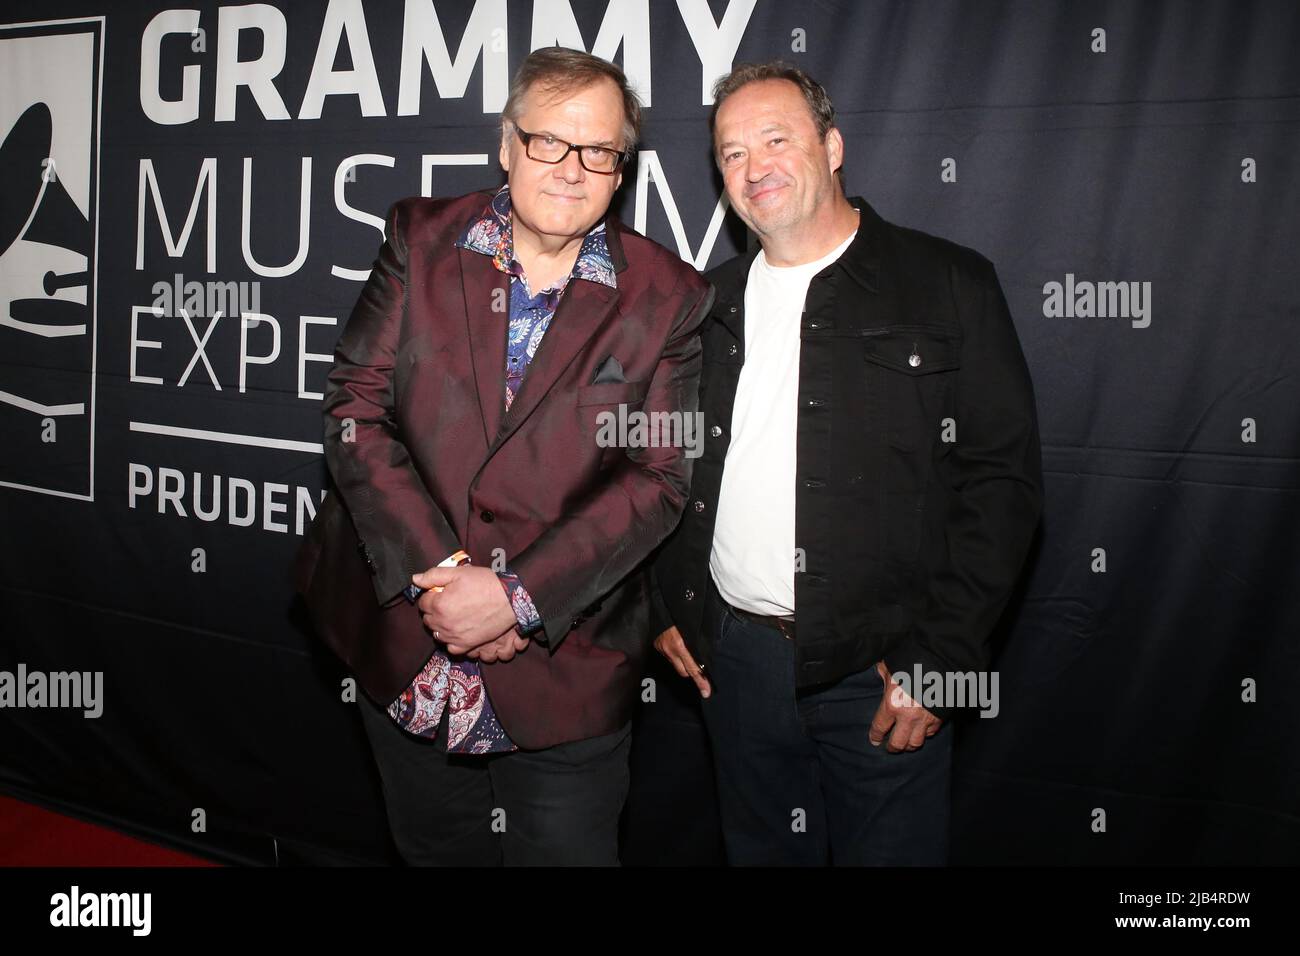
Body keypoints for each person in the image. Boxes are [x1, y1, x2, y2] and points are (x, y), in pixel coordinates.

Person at [295, 47, 713, 866]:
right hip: (405, 638)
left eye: (599, 151)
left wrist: (517, 598)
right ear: (507, 144)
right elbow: (355, 411)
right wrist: (447, 575)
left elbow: (658, 477)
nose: (572, 168)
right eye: (549, 141)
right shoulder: (419, 239)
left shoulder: (669, 296)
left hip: (565, 666)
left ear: (621, 168)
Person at [650, 61, 1043, 865]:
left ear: (832, 146)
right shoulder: (701, 304)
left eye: (775, 139)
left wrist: (939, 662)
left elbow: (1001, 488)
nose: (754, 167)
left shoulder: (948, 284)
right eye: (731, 153)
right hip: (734, 665)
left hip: (883, 671)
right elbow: (662, 466)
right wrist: (662, 603)